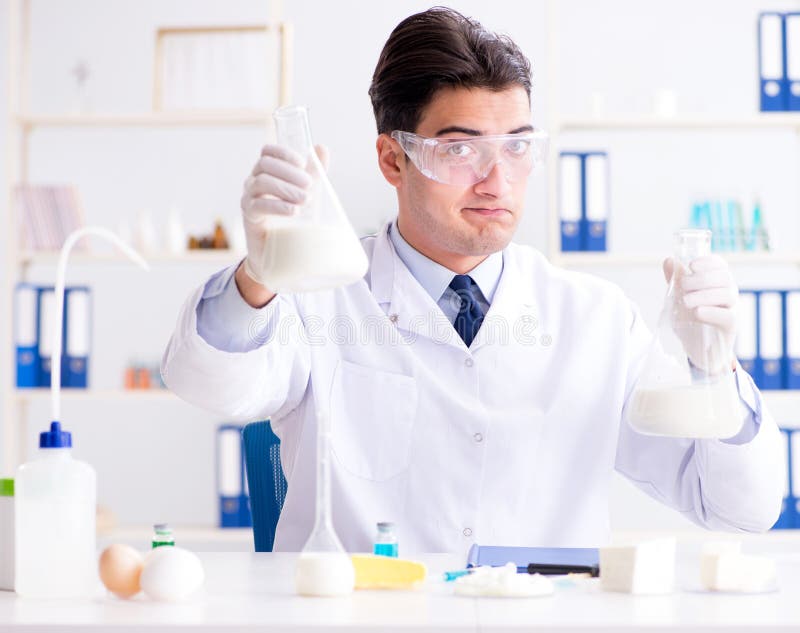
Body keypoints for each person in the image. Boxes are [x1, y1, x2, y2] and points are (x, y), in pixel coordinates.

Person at [162, 7, 783, 554]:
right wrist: (257, 277)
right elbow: (206, 383)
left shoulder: (594, 318)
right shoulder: (315, 300)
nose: (497, 180)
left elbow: (740, 509)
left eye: (517, 147)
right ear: (392, 159)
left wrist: (716, 376)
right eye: (460, 149)